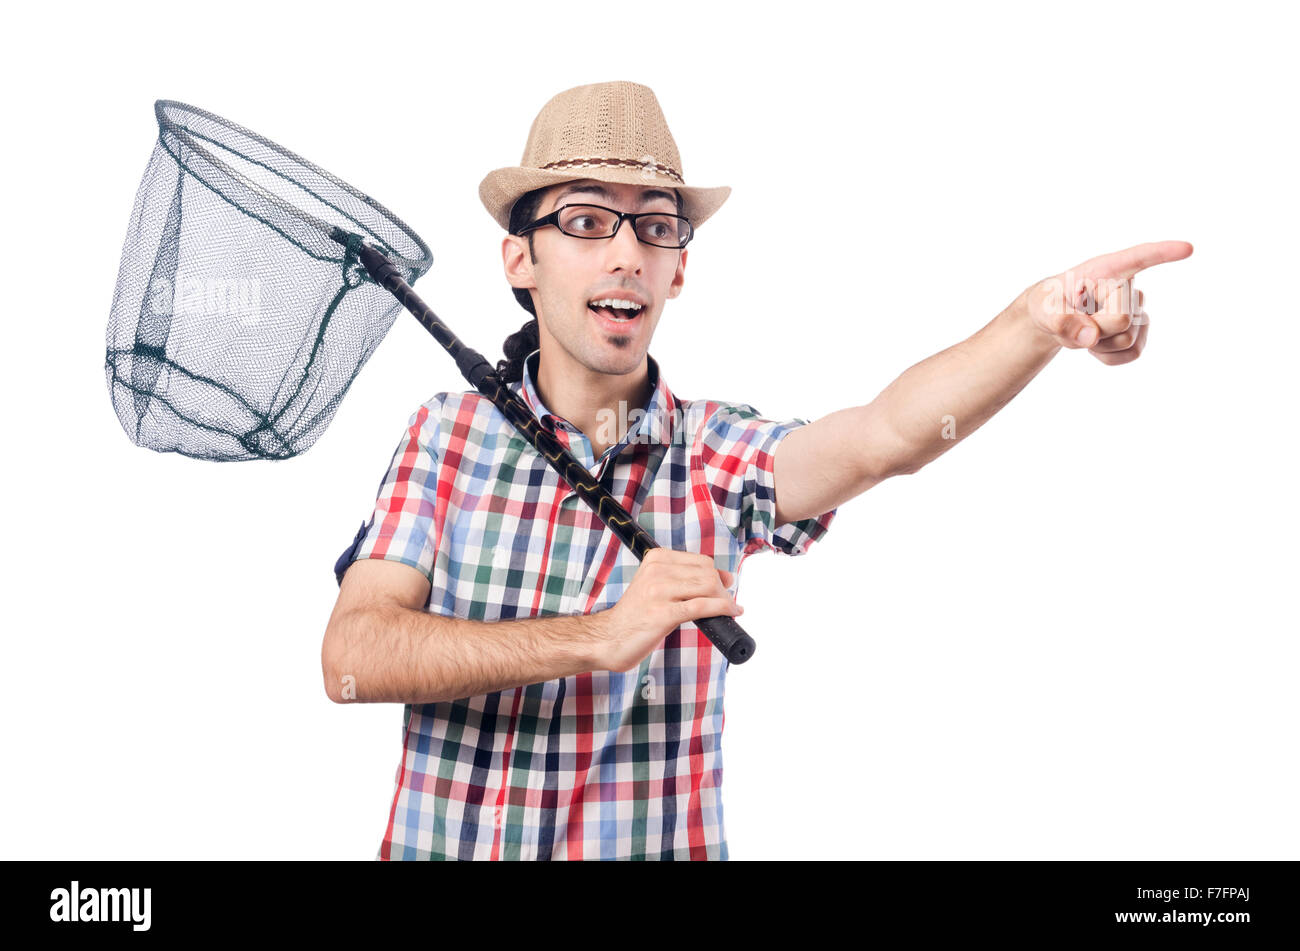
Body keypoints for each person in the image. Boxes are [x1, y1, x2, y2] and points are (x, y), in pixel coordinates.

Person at [321, 81, 1192, 861]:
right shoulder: (445, 435)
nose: (626, 253)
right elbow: (354, 654)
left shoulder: (714, 454)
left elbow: (884, 436)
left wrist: (1038, 320)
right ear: (521, 259)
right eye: (587, 221)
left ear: (678, 267)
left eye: (655, 227)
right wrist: (596, 635)